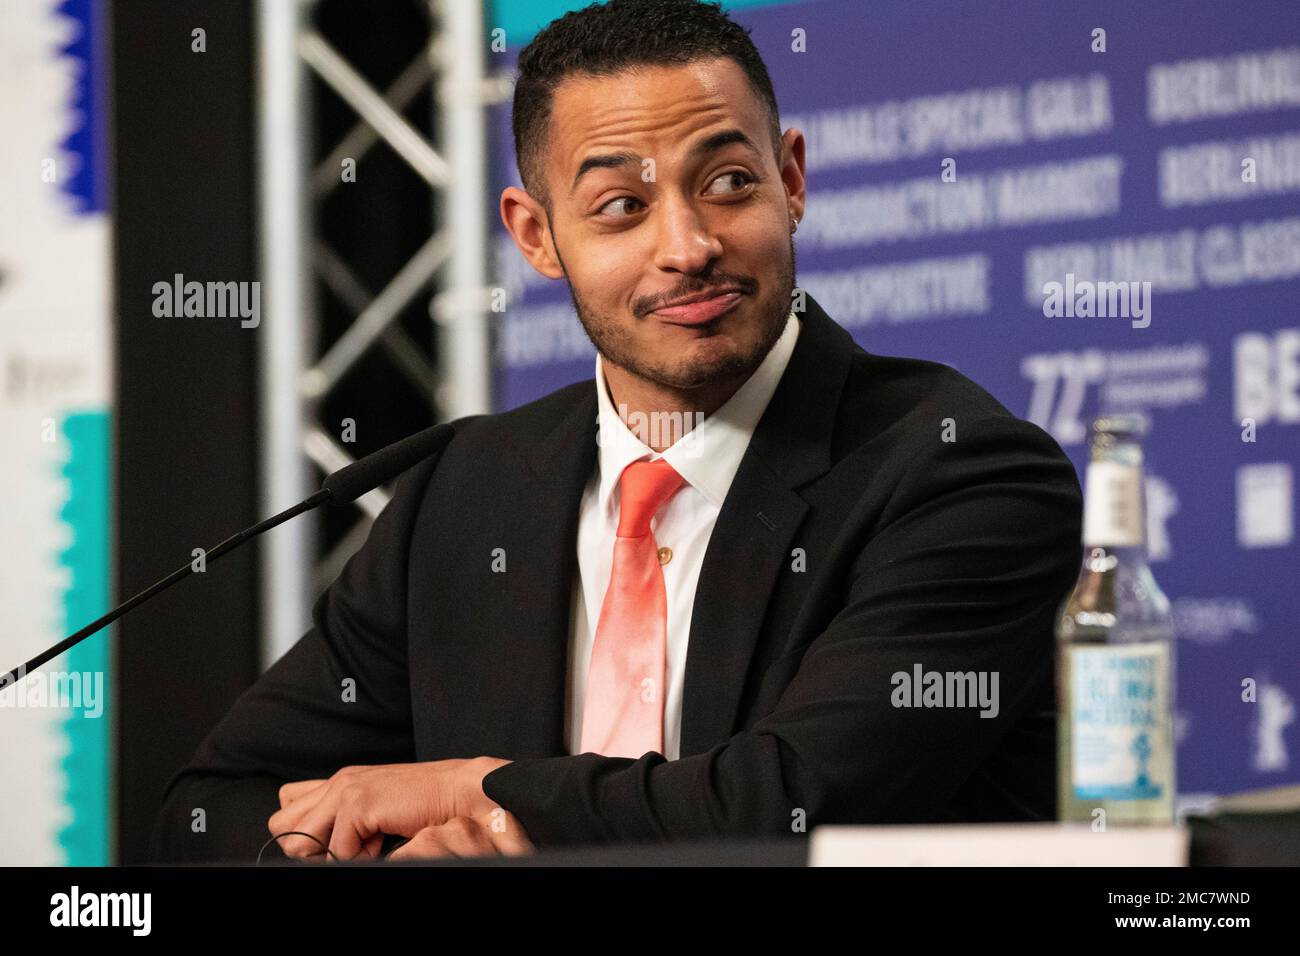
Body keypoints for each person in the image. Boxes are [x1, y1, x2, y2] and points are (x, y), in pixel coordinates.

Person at [152, 0, 1083, 862]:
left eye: (727, 182)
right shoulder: (464, 496)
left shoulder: (959, 472)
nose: (687, 246)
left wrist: (475, 795)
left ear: (790, 180)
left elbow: (789, 803)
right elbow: (216, 808)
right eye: (621, 208)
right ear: (536, 236)